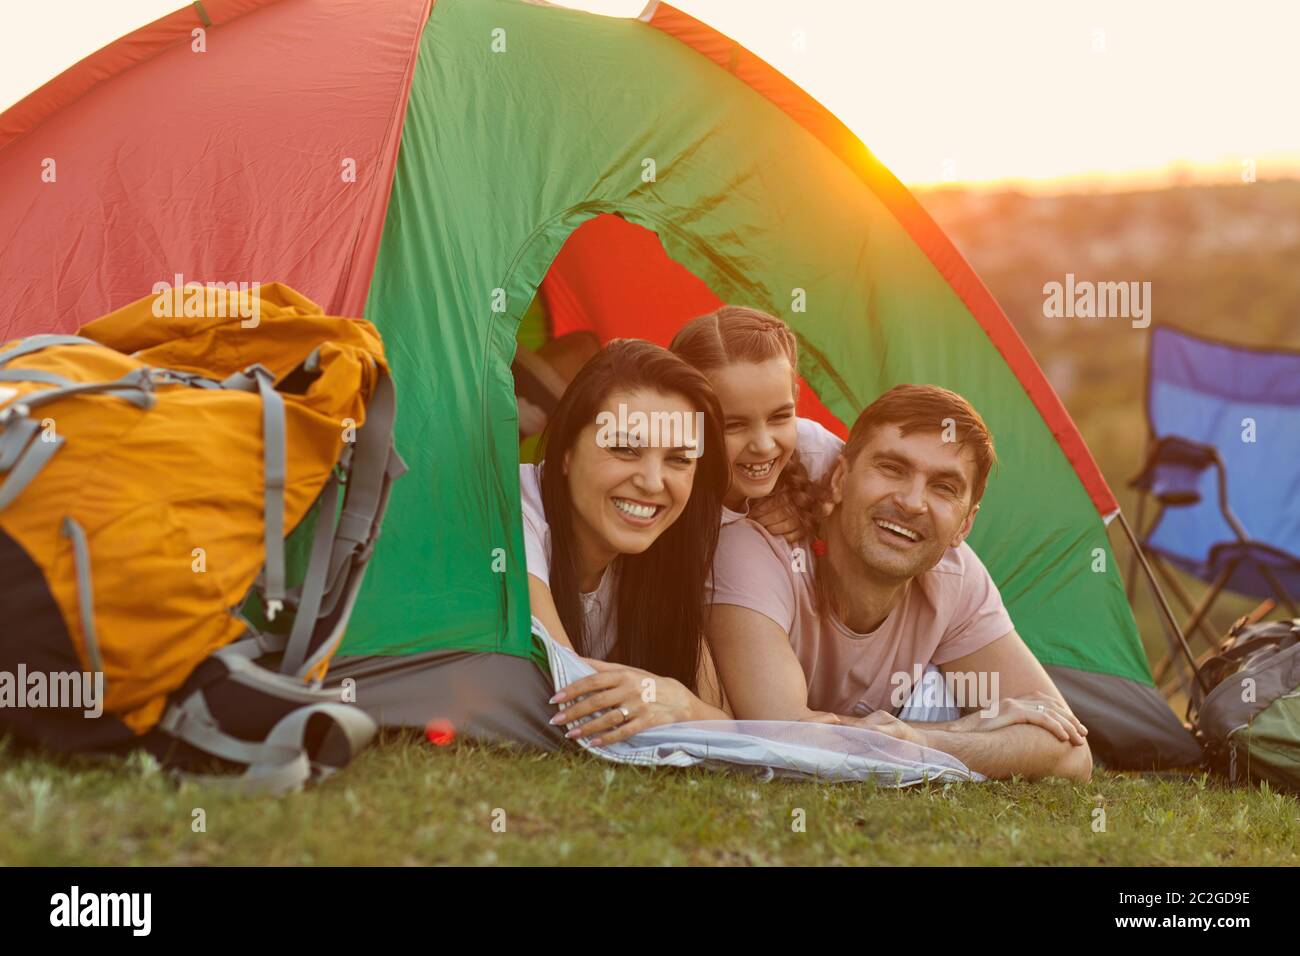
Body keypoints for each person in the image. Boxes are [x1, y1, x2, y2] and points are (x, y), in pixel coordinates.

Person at [706, 384, 1093, 781]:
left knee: (935, 691)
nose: (911, 502)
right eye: (892, 468)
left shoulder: (955, 574)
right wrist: (966, 729)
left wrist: (924, 742)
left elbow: (1071, 752)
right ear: (839, 477)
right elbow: (783, 735)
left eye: (943, 487)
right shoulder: (759, 548)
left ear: (965, 524)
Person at [525, 338, 733, 746]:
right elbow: (569, 691)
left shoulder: (662, 555)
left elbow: (725, 721)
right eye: (624, 448)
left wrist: (683, 704)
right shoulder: (513, 515)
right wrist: (665, 698)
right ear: (566, 451)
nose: (653, 482)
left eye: (678, 459)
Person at [670, 306, 842, 540]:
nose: (763, 445)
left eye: (779, 417)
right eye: (734, 425)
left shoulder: (815, 448)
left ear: (795, 397)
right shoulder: (664, 490)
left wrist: (815, 513)